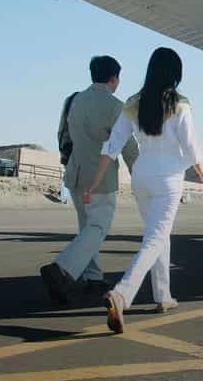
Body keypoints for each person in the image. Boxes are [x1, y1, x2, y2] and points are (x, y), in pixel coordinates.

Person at [84, 47, 203, 333]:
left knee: (158, 235)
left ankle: (162, 296)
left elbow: (113, 144)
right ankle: (122, 295)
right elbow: (190, 145)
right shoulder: (180, 103)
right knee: (156, 237)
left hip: (141, 175)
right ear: (175, 73)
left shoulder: (133, 102)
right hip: (168, 176)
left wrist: (95, 182)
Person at [40, 56, 138, 303]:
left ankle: (92, 277)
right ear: (114, 79)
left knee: (86, 227)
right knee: (97, 228)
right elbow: (128, 147)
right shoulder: (116, 107)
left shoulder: (74, 101)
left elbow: (64, 134)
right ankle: (61, 269)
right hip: (100, 180)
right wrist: (140, 176)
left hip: (75, 175)